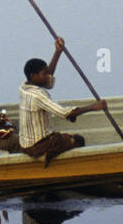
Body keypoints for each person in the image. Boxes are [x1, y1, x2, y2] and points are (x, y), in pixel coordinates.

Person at [18, 37, 106, 165]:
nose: (48, 76)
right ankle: (48, 157)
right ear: (33, 76)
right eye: (44, 74)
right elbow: (65, 113)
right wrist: (94, 106)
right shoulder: (37, 95)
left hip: (26, 143)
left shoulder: (24, 86)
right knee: (78, 140)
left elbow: (48, 78)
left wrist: (57, 52)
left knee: (66, 136)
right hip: (37, 145)